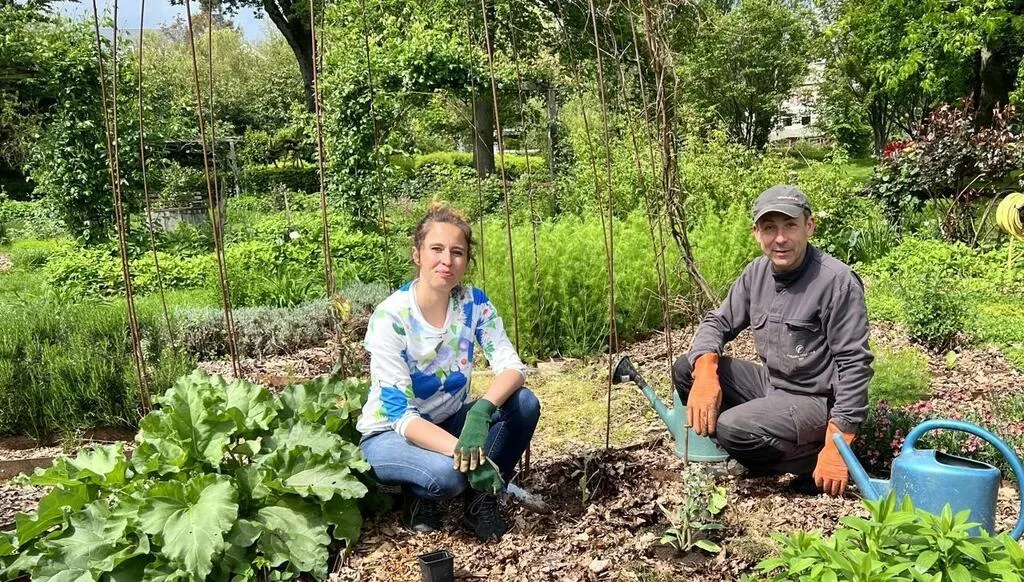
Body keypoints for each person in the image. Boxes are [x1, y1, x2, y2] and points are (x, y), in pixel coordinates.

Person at [672, 184, 873, 496]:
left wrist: (839, 443)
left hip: (817, 400)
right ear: (757, 233)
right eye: (770, 228)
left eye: (790, 225)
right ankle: (751, 451)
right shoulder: (757, 273)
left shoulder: (836, 281)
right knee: (689, 368)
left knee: (733, 428)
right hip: (772, 385)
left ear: (809, 226)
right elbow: (719, 321)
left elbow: (854, 365)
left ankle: (809, 461)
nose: (780, 239)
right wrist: (706, 373)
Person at [357, 202, 540, 541]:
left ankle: (479, 501)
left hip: (448, 419)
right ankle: (417, 497)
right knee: (448, 475)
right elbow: (400, 416)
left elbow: (512, 367)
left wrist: (481, 413)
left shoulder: (473, 303)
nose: (447, 260)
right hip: (390, 434)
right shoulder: (391, 319)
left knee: (524, 404)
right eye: (436, 249)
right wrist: (462, 452)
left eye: (457, 252)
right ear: (417, 254)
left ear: (466, 261)